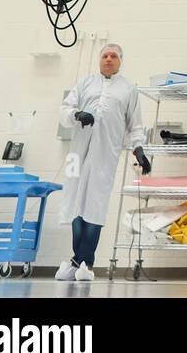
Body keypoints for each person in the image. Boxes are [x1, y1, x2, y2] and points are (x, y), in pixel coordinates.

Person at [55, 42, 151, 282]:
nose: (108, 59)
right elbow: (65, 110)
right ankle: (80, 262)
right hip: (77, 155)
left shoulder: (128, 89)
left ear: (120, 61)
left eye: (113, 56)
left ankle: (84, 262)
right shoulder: (85, 83)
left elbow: (135, 125)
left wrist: (139, 149)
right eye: (105, 55)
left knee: (95, 206)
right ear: (100, 59)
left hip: (106, 156)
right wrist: (77, 114)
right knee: (76, 204)